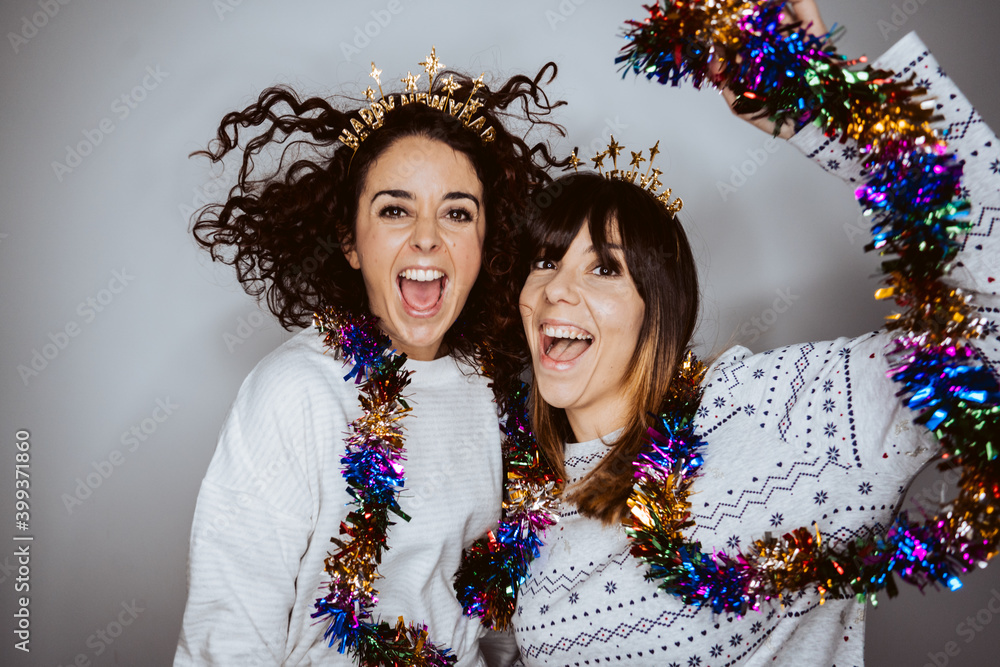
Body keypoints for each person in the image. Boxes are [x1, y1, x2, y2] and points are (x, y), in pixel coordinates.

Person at [508, 6, 1000, 666]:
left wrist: (829, 103)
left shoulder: (767, 411)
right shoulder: (514, 492)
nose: (555, 290)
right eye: (545, 261)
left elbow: (988, 312)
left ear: (661, 309)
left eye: (603, 266)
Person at [173, 50, 566, 666]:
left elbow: (495, 617)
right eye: (395, 209)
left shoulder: (491, 392)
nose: (428, 236)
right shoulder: (296, 388)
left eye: (458, 212)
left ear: (488, 243)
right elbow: (229, 631)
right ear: (350, 243)